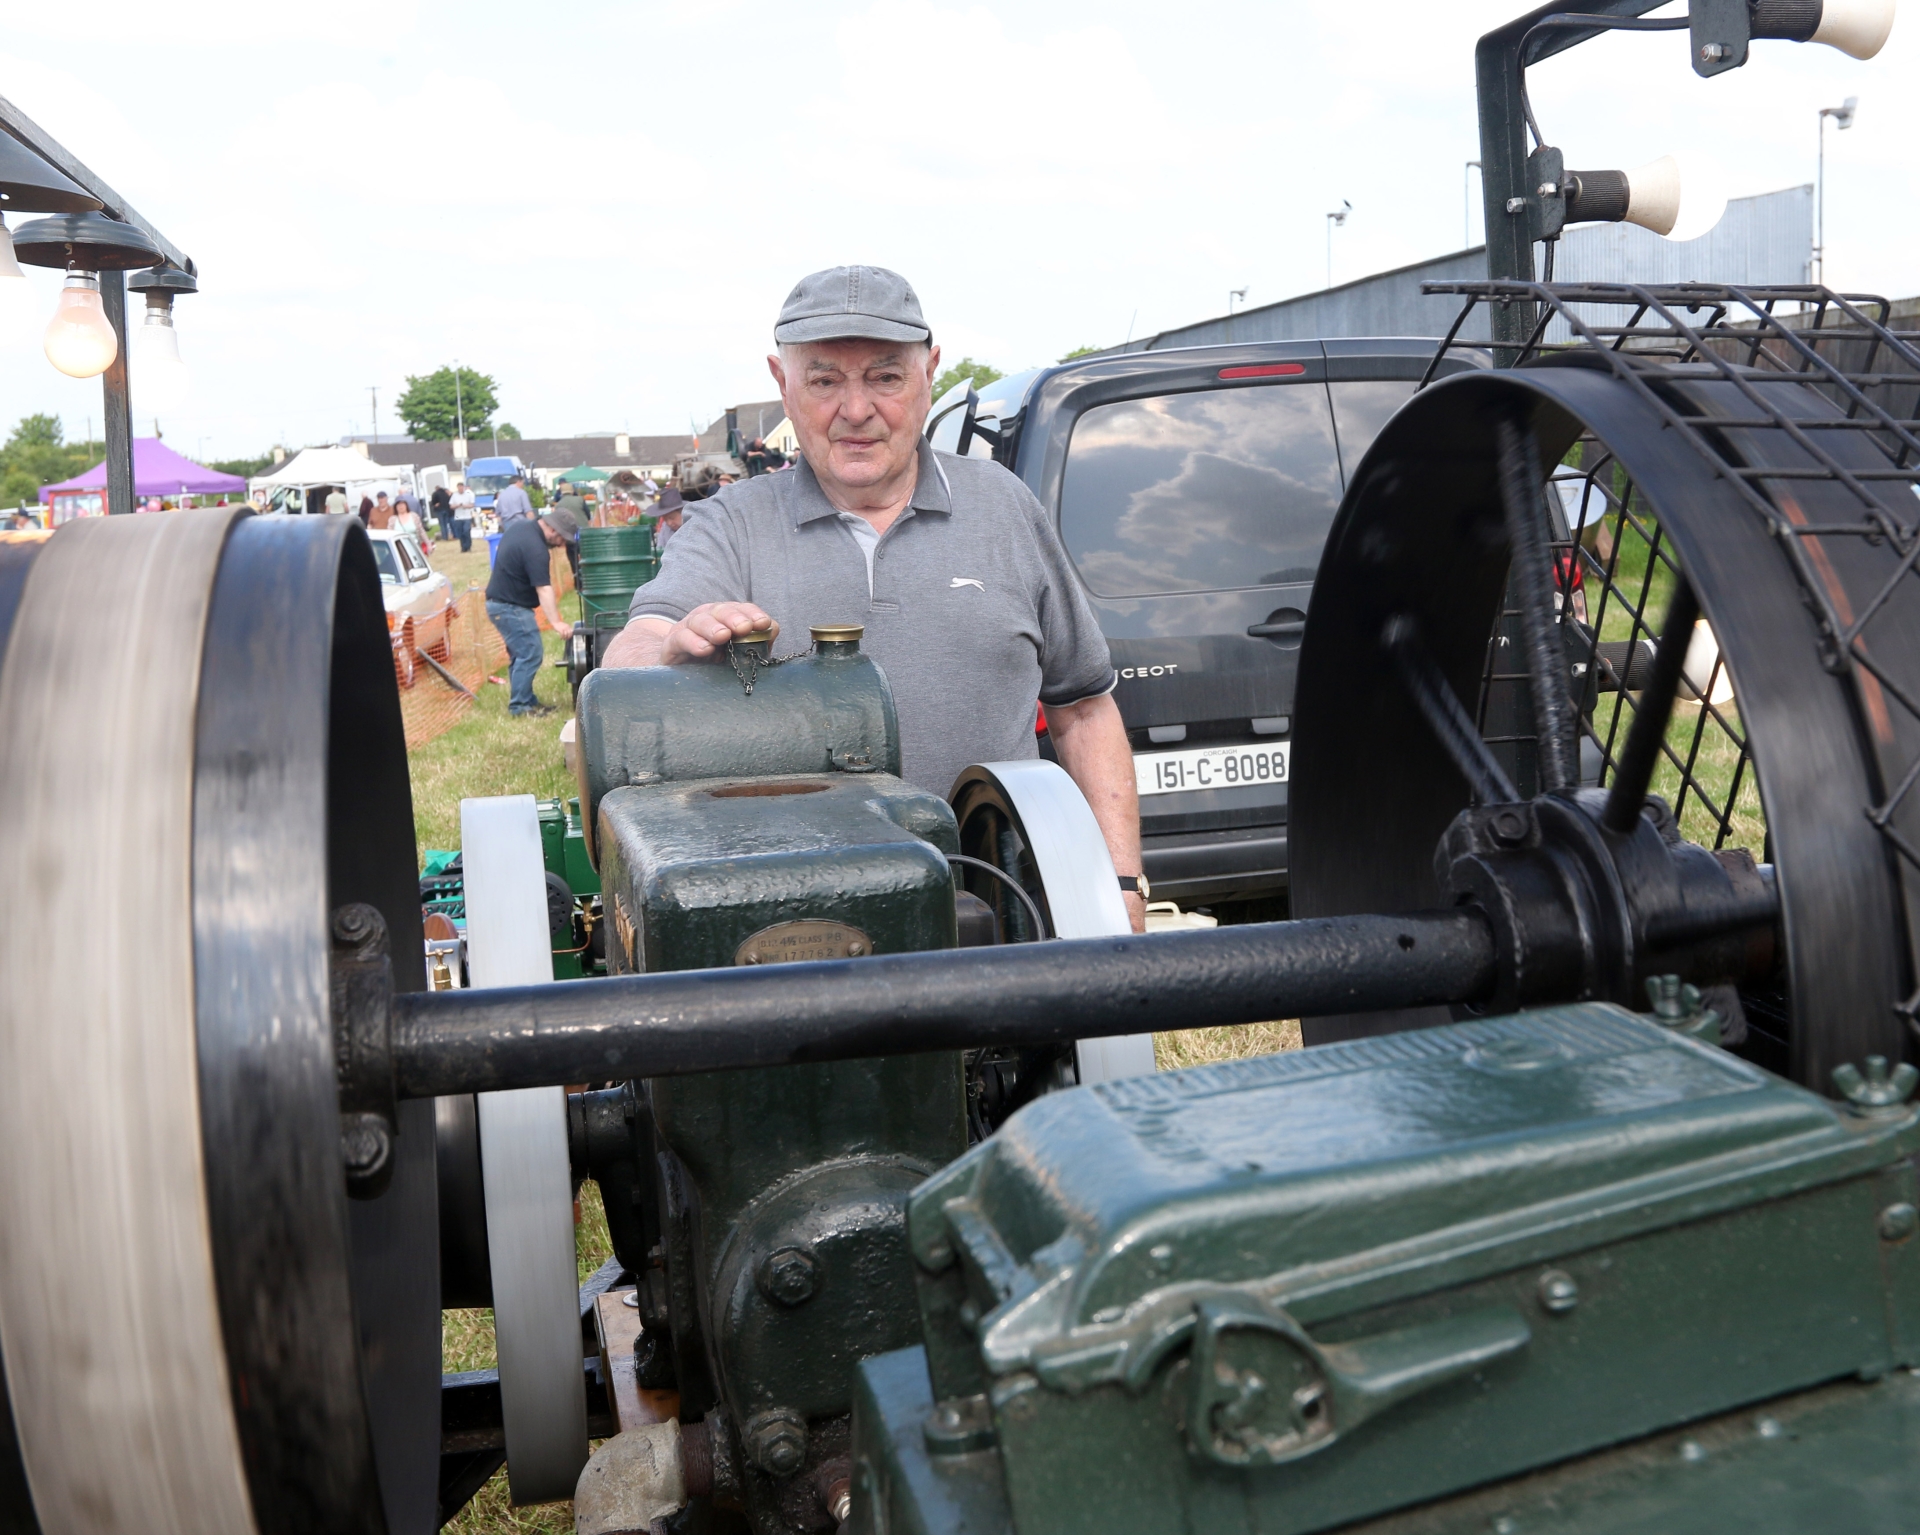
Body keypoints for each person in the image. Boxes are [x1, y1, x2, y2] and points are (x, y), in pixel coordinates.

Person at [600, 264, 1147, 931]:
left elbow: (1085, 709)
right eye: (825, 379)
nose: (855, 410)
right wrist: (671, 644)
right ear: (782, 382)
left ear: (930, 372)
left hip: (1001, 924)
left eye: (885, 377)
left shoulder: (1006, 509)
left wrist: (1120, 886)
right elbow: (631, 649)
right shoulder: (729, 524)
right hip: (793, 931)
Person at [485, 512, 573, 717]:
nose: (561, 545)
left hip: (499, 604)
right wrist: (557, 622)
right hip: (509, 607)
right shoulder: (536, 549)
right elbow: (543, 589)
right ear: (552, 530)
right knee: (530, 653)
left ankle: (526, 698)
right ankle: (520, 706)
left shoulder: (521, 527)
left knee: (520, 654)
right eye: (561, 538)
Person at [651, 486, 685, 551]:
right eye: (665, 519)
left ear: (683, 512)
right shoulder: (665, 527)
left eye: (672, 518)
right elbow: (660, 550)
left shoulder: (693, 527)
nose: (669, 523)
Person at [449, 481, 476, 553]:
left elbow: (472, 505)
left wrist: (465, 506)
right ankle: (463, 547)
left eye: (462, 487)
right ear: (457, 488)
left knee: (466, 531)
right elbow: (451, 506)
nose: (460, 489)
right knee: (460, 533)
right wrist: (457, 505)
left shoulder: (468, 494)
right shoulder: (454, 495)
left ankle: (468, 546)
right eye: (459, 488)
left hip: (467, 516)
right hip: (458, 517)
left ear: (464, 487)